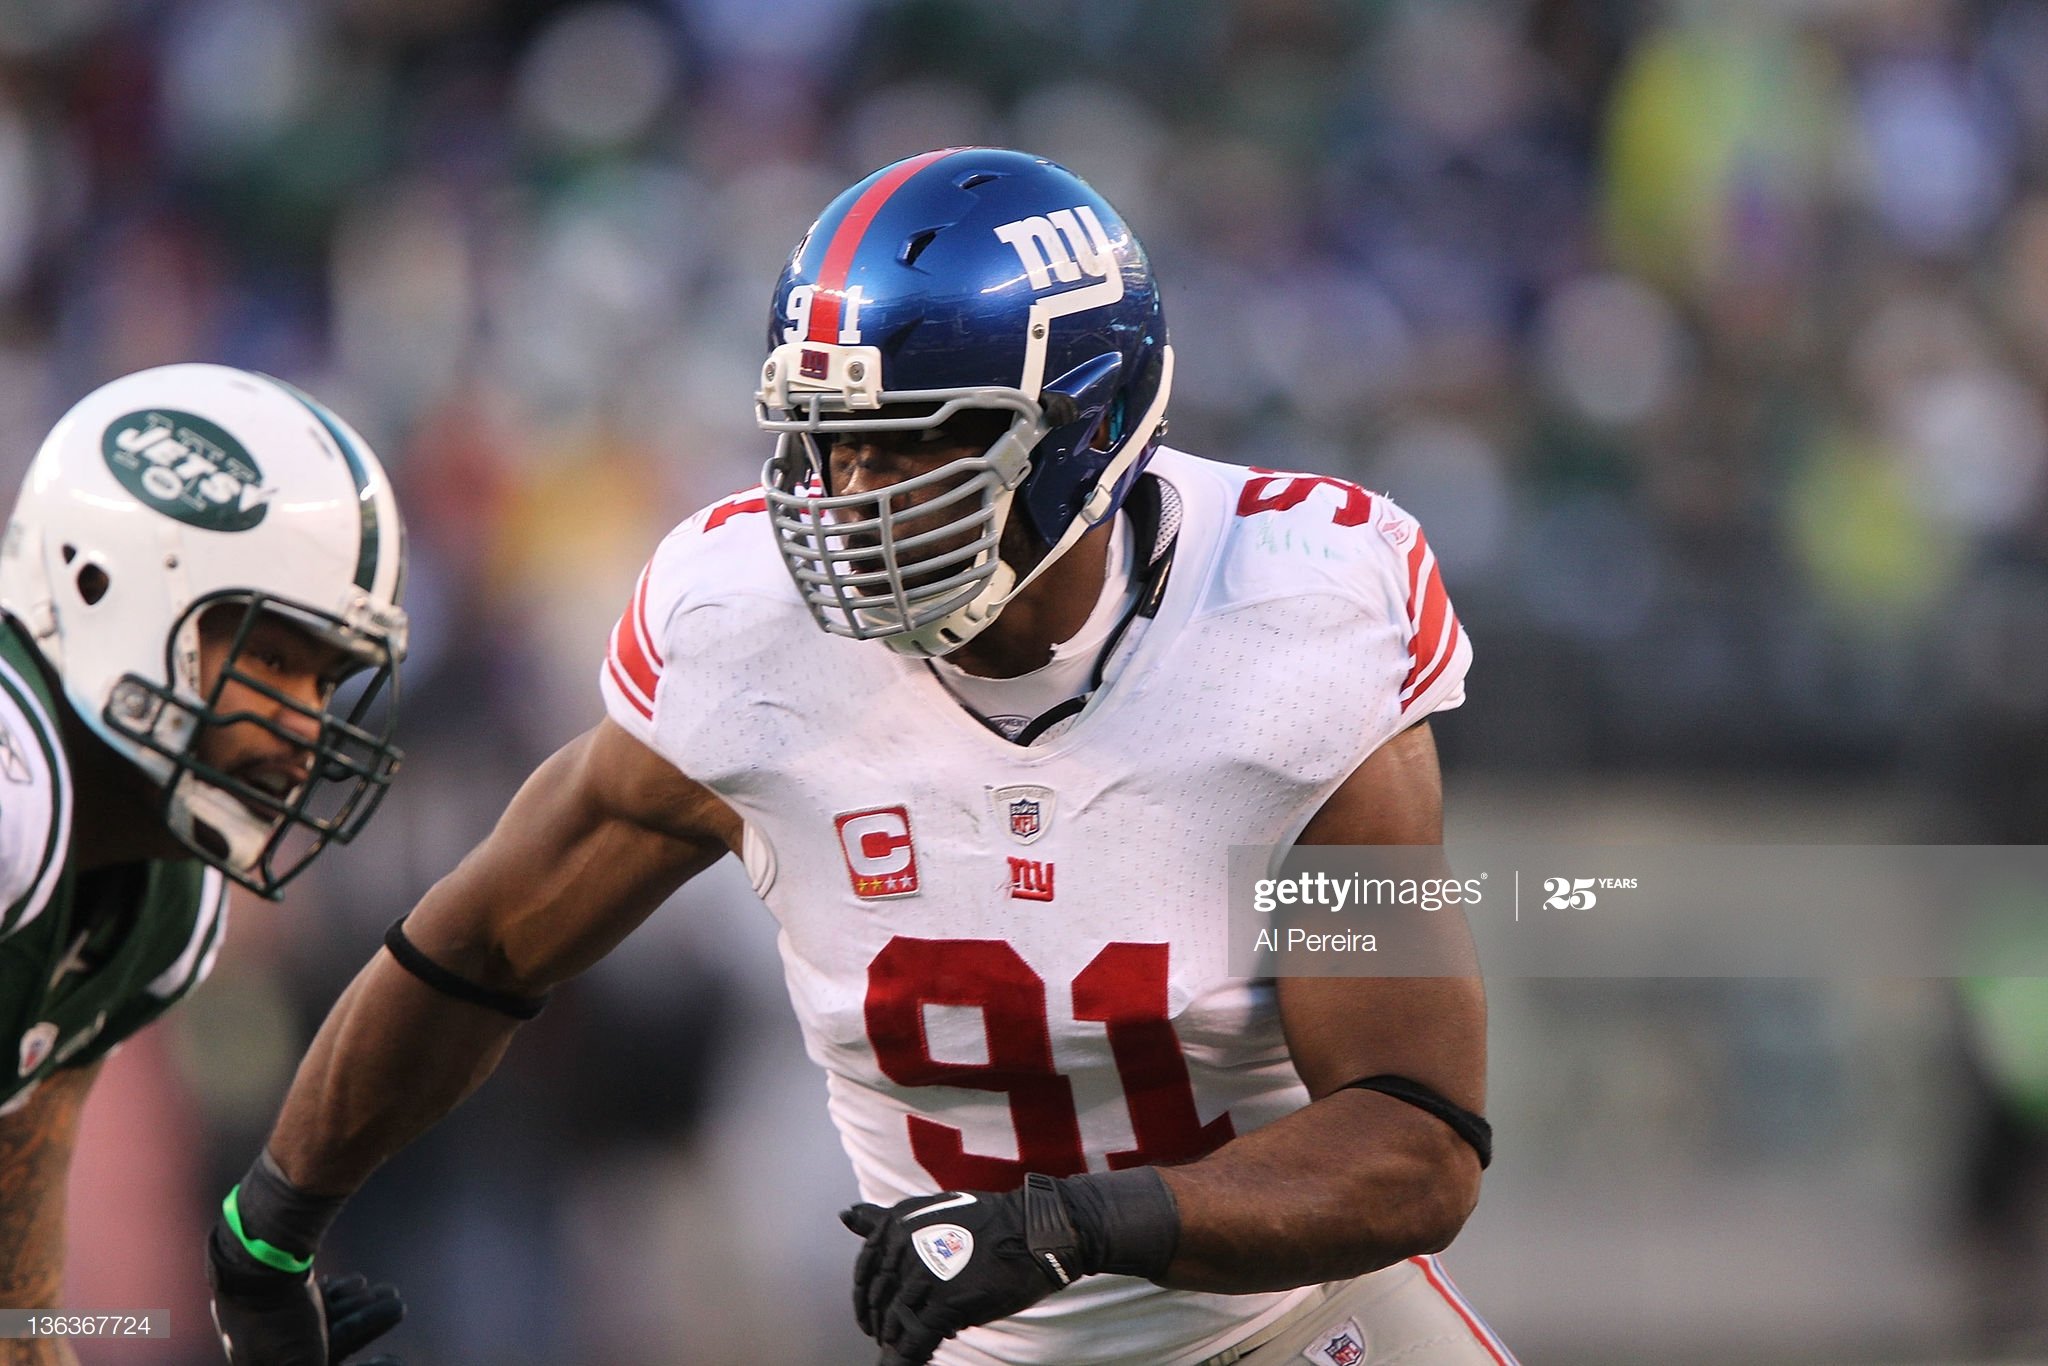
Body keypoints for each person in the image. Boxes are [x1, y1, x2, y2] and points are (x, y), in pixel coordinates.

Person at [208, 148, 1515, 1366]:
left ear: (1082, 429)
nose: (846, 497)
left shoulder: (1292, 629)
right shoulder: (745, 638)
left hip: (1305, 1325)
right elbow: (478, 946)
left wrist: (1075, 1220)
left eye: (911, 442)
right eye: (827, 443)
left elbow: (1414, 1141)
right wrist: (270, 1224)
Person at [0, 364, 410, 1366]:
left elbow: (19, 1319)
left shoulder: (161, 897)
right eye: (272, 658)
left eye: (327, 679)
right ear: (103, 584)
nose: (307, 727)